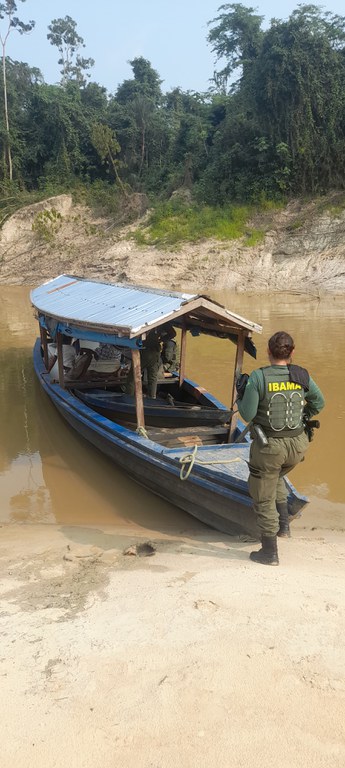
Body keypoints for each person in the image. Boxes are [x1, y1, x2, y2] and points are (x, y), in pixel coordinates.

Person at [237, 331, 325, 566]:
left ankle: (269, 552)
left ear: (268, 351)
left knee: (262, 495)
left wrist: (240, 394)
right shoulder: (301, 374)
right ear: (292, 352)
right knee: (276, 476)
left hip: (270, 447)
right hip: (297, 446)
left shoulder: (258, 378)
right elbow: (320, 402)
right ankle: (284, 527)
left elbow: (247, 414)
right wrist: (302, 416)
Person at [125, 329, 161, 399]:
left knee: (133, 376)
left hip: (144, 351)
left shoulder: (144, 323)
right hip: (155, 352)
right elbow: (172, 334)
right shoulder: (161, 322)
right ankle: (152, 397)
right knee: (152, 377)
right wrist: (160, 340)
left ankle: (129, 397)